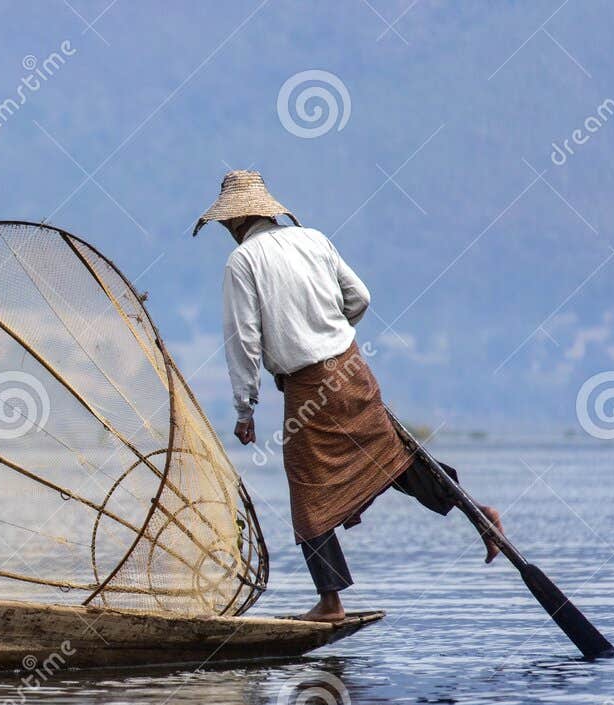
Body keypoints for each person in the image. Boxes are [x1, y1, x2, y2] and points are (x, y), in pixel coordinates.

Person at [192, 170, 503, 622]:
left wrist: (246, 408)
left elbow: (244, 340)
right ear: (267, 211)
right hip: (353, 369)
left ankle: (330, 601)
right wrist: (330, 333)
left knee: (306, 487)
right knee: (396, 459)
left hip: (308, 387)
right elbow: (359, 298)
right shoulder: (313, 238)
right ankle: (479, 513)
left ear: (234, 223)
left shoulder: (242, 262)